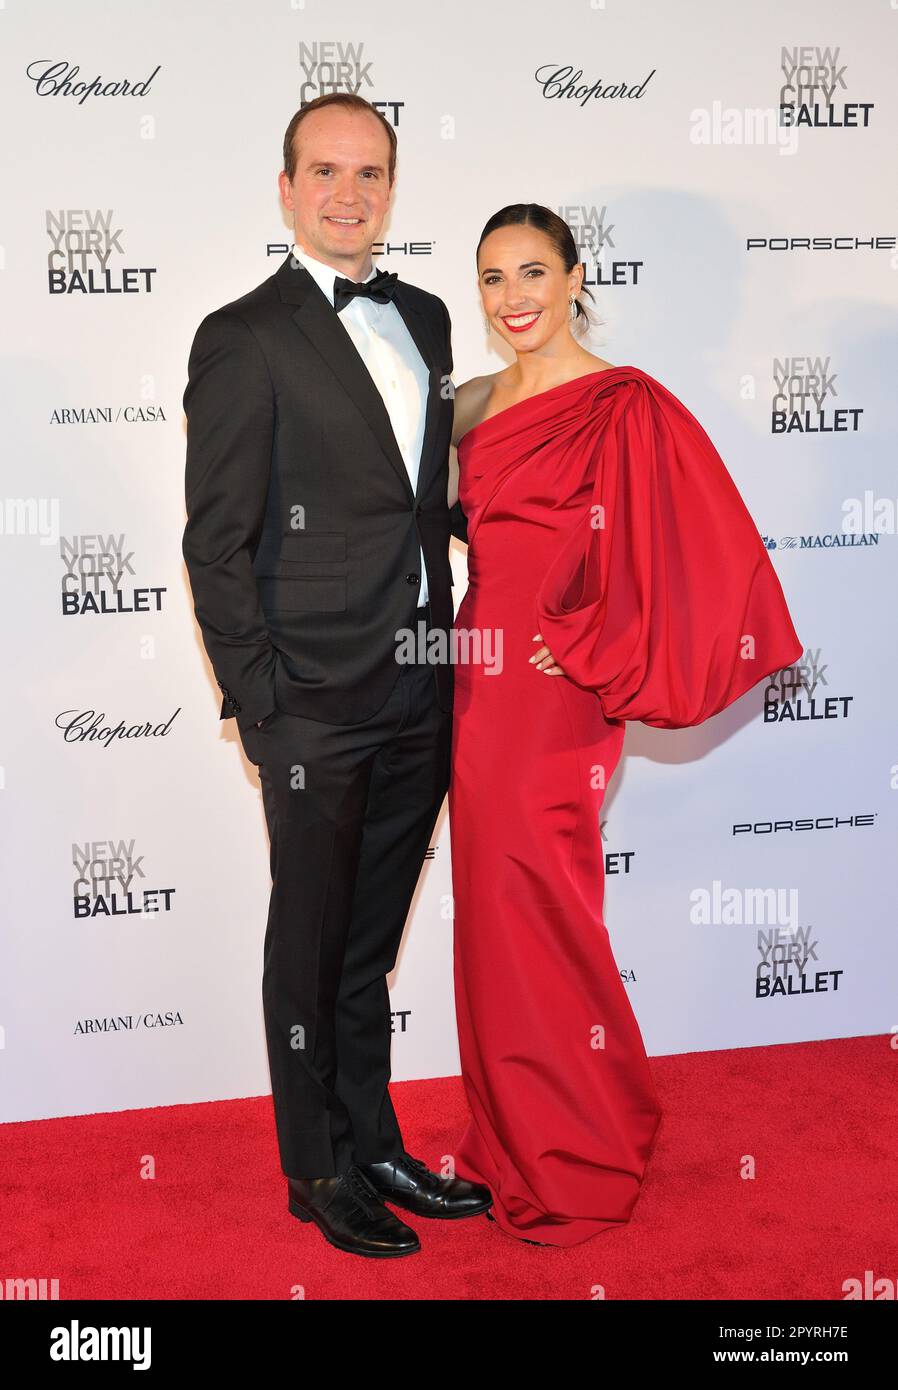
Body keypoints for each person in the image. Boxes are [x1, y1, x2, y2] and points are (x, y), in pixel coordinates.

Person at [447, 204, 803, 1247]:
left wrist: (598, 636)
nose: (513, 298)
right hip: (475, 676)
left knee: (543, 902)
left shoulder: (623, 402)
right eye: (493, 280)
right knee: (495, 912)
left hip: (555, 693)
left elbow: (685, 543)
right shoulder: (469, 404)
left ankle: (580, 1146)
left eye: (531, 273)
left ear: (572, 276)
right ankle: (515, 1133)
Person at [181, 93, 489, 1260]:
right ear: (286, 189)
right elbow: (215, 539)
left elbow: (428, 498)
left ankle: (375, 1137)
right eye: (325, 172)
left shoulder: (425, 314)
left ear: (392, 188)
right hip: (311, 698)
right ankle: (314, 1168)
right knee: (307, 945)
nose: (348, 194)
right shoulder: (243, 335)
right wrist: (264, 706)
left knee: (369, 942)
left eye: (370, 174)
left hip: (420, 674)